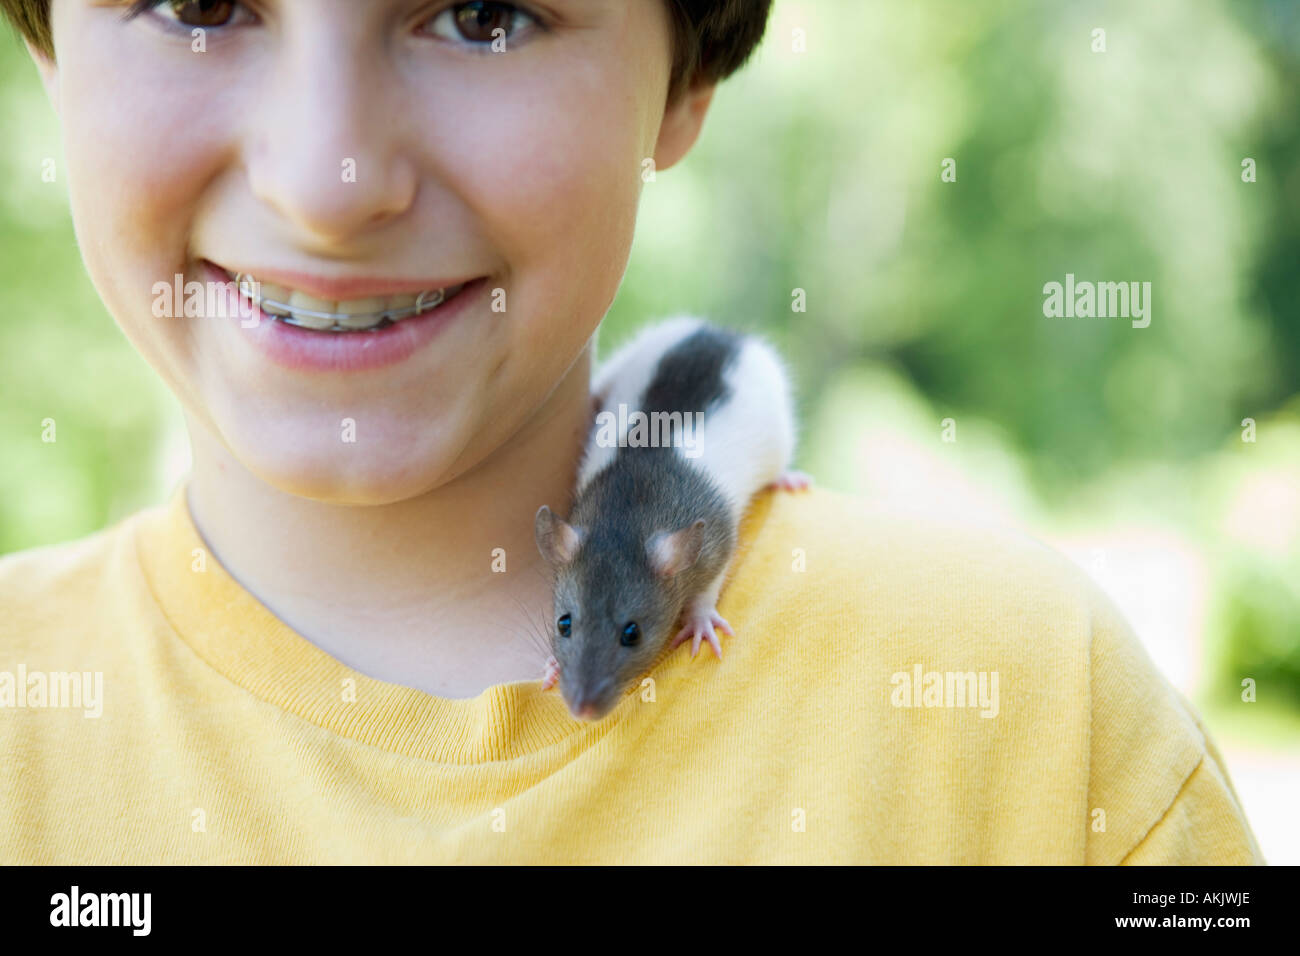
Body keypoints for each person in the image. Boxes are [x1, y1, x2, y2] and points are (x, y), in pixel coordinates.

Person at [0, 0, 1263, 864]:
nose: (327, 184)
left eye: (486, 11)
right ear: (46, 41)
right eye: (199, 1)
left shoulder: (1044, 720)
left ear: (686, 72)